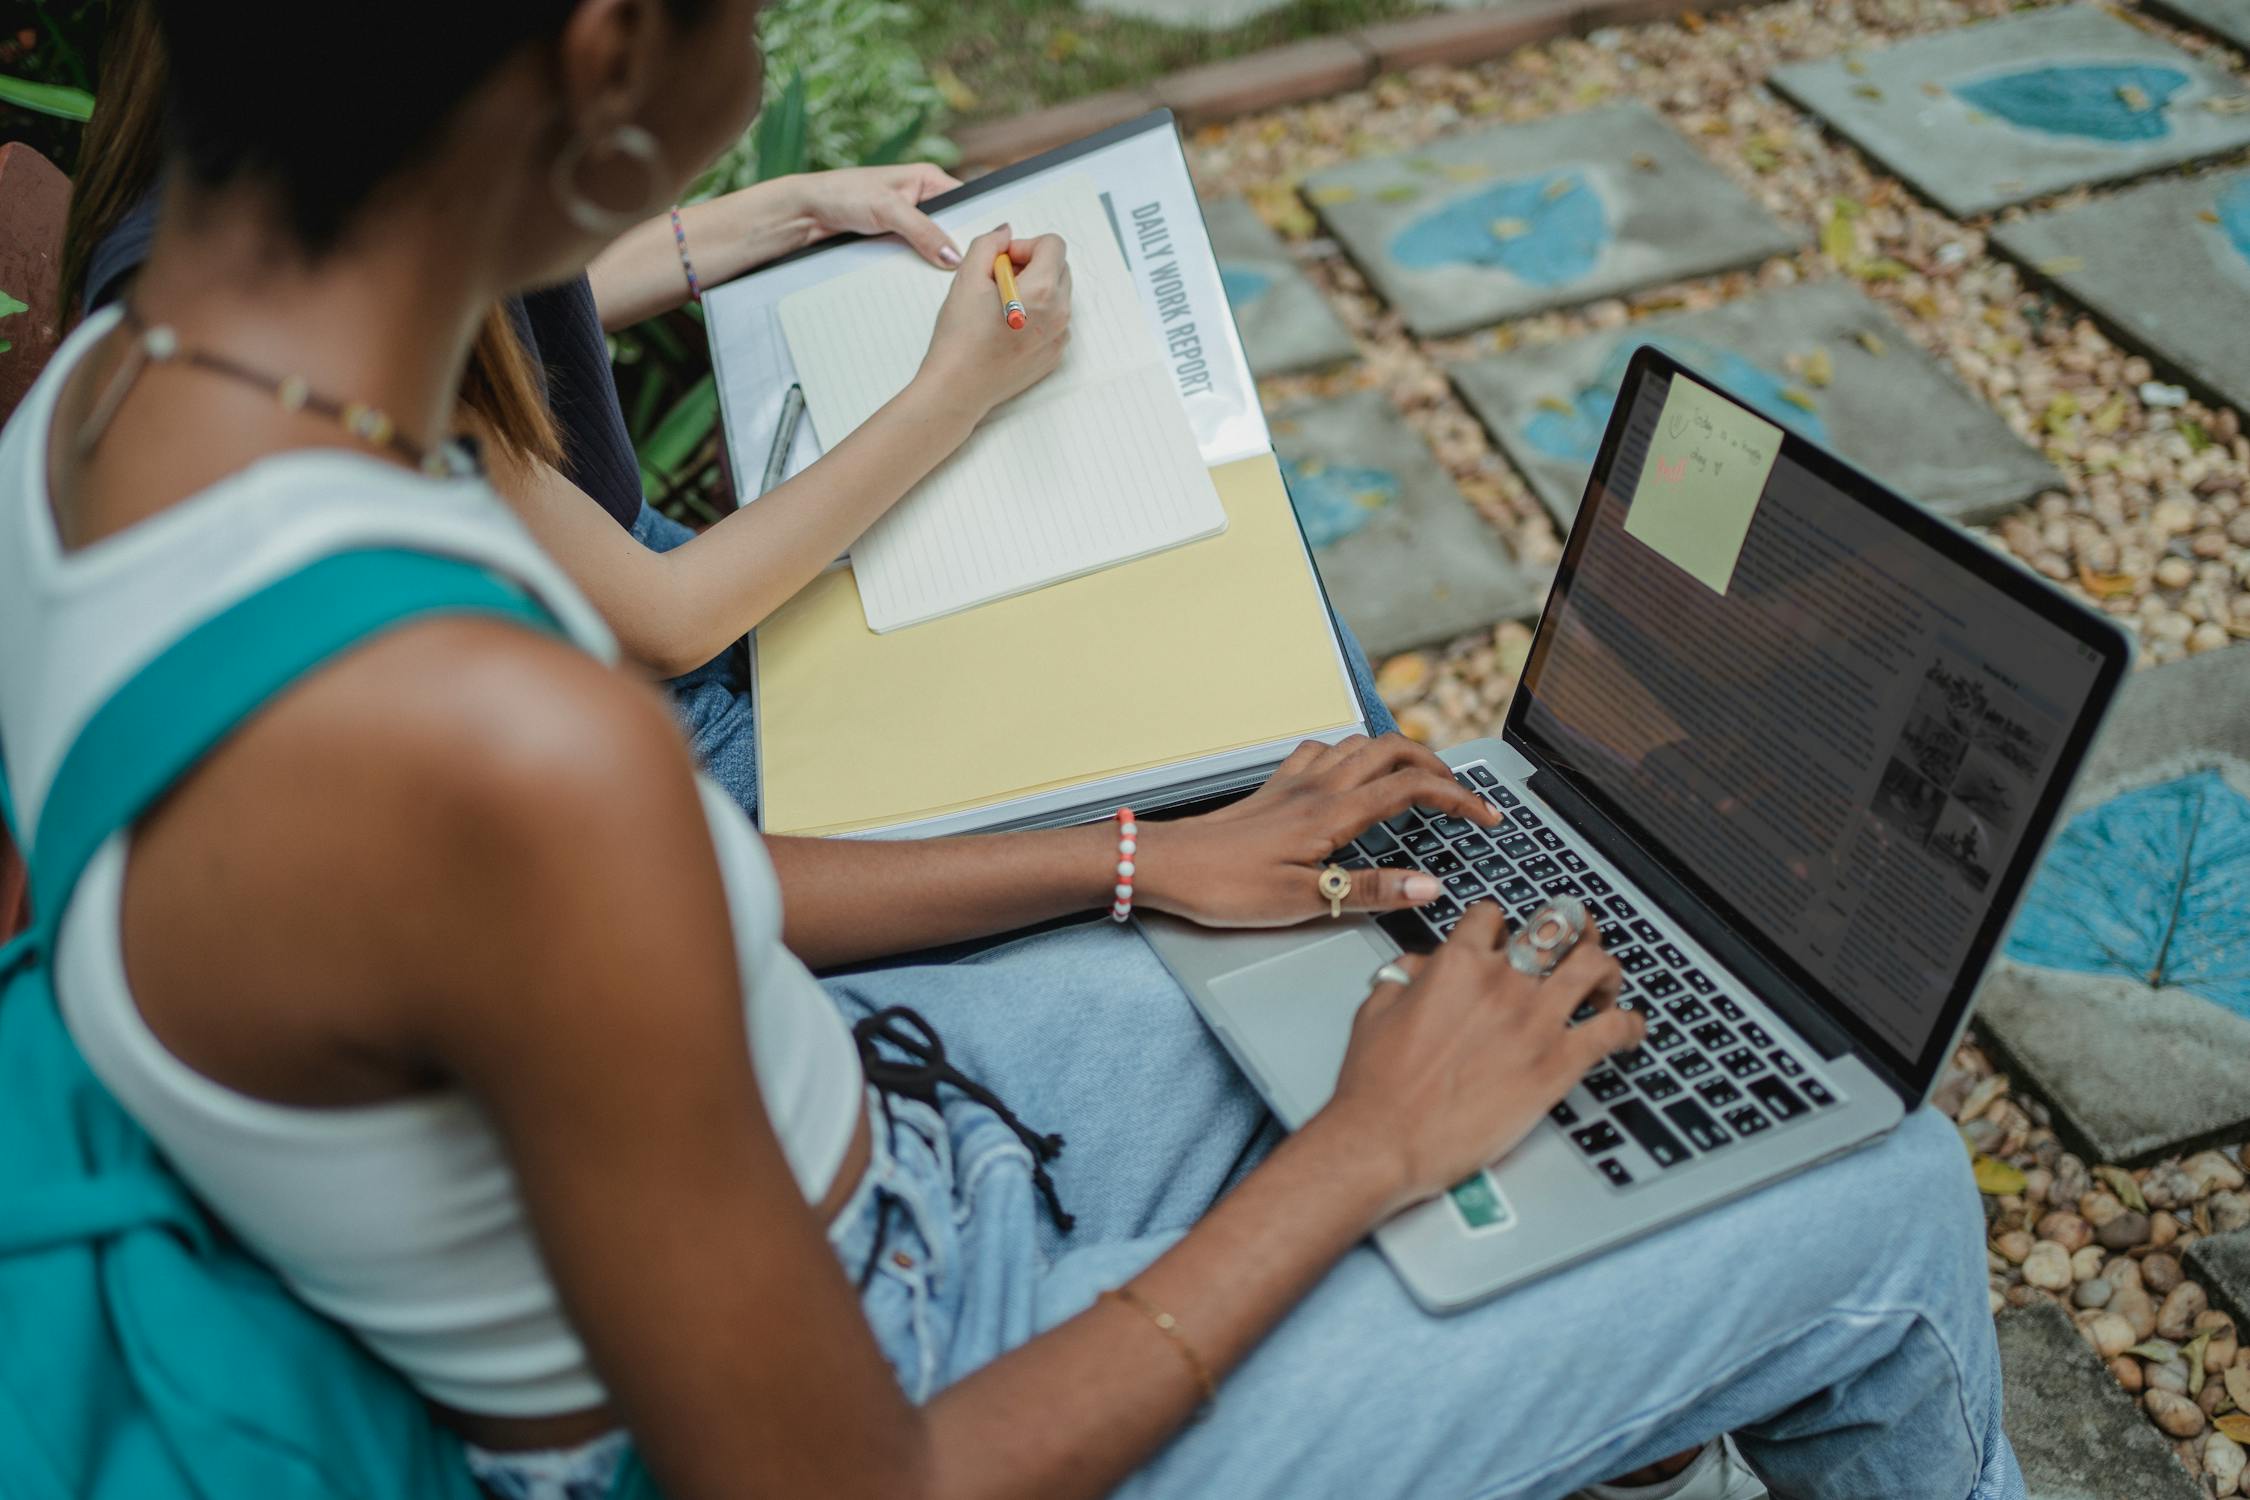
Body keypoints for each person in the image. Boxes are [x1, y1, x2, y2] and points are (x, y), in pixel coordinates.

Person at [0, 4, 2026, 1500]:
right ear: (610, 51)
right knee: (1884, 1189)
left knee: (1415, 953)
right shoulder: (507, 753)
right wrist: (1354, 1163)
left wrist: (1142, 858)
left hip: (897, 1143)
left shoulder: (116, 400)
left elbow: (691, 903)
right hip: (916, 1371)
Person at [59, 3, 1397, 819]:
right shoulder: (328, 365)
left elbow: (529, 290)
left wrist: (788, 212)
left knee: (1236, 583)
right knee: (1256, 646)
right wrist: (955, 390)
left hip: (643, 657)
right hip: (681, 725)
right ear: (609, 47)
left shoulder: (291, 193)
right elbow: (669, 623)